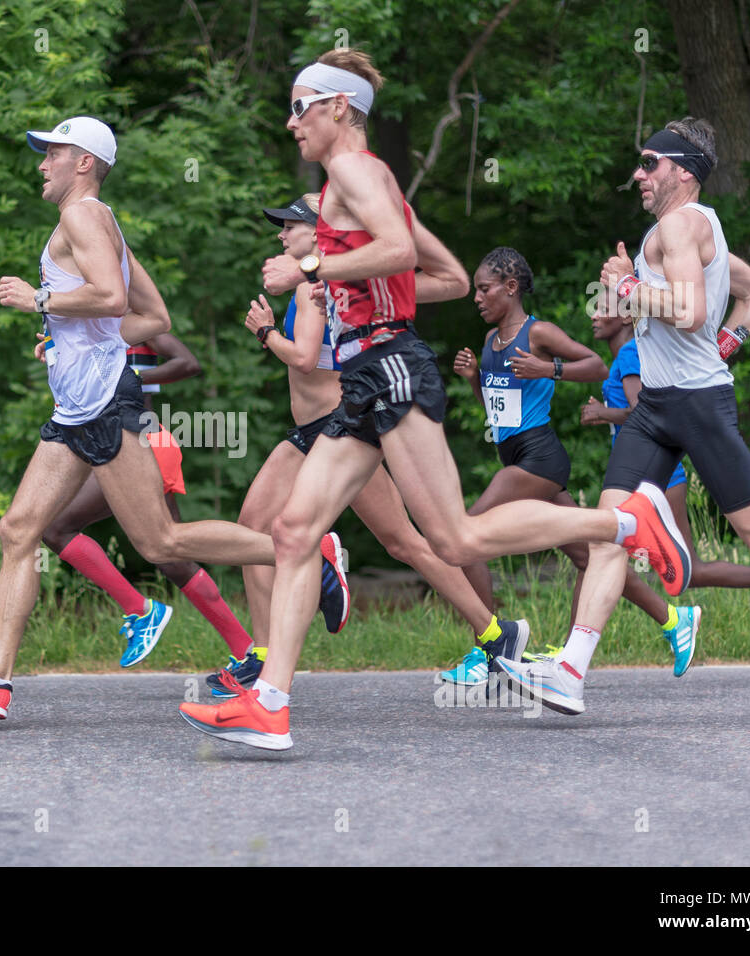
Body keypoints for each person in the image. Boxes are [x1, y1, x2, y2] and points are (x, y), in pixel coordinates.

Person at [178, 50, 686, 750]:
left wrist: (312, 266)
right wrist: (359, 286)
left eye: (300, 106)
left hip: (390, 369)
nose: (290, 120)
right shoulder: (353, 185)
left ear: (337, 109)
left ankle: (625, 527)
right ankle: (270, 704)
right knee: (295, 533)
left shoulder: (355, 171)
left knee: (455, 537)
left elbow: (392, 249)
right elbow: (444, 276)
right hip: (363, 379)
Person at [0, 117, 346, 720]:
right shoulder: (105, 223)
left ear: (84, 161)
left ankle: (307, 555)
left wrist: (38, 300)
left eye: (53, 154)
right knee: (19, 529)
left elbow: (114, 301)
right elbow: (154, 317)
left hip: (105, 405)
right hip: (76, 407)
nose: (42, 164)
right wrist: (74, 339)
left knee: (160, 540)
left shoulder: (82, 216)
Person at [497, 117, 750, 714]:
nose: (638, 174)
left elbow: (687, 308)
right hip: (654, 406)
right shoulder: (698, 229)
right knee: (607, 530)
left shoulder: (681, 224)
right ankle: (570, 672)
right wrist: (725, 343)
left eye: (649, 163)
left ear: (683, 171)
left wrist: (627, 288)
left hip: (698, 404)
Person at [216, 197, 530, 698]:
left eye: (290, 227)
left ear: (317, 234)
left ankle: (494, 632)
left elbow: (301, 358)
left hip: (337, 429)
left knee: (405, 541)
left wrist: (265, 333)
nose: (281, 235)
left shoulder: (311, 286)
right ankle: (262, 653)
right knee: (255, 527)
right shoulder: (315, 286)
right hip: (311, 433)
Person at [441, 247, 700, 684]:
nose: (477, 298)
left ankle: (487, 646)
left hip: (539, 457)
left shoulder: (537, 332)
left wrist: (548, 368)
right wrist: (473, 381)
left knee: (464, 534)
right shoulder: (490, 343)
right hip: (515, 452)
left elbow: (596, 364)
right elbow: (496, 412)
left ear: (511, 288)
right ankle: (674, 620)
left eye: (484, 290)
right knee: (587, 554)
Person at [582, 296, 750, 647]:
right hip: (645, 471)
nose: (595, 315)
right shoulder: (627, 355)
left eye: (604, 308)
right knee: (623, 553)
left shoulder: (633, 353)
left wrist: (604, 414)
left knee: (613, 549)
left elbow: (640, 412)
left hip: (657, 475)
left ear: (626, 315)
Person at [31, 331, 257, 670]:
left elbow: (188, 362)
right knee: (173, 556)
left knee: (56, 528)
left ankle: (140, 610)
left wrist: (135, 374)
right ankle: (247, 651)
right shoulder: (92, 328)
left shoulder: (137, 324)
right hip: (126, 441)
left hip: (139, 441)